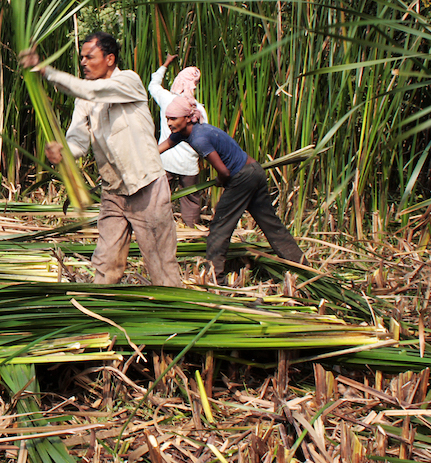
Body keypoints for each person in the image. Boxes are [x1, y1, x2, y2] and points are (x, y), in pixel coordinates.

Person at [20, 32, 182, 287]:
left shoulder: (128, 81)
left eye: (89, 57)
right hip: (113, 192)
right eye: (81, 57)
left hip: (146, 188)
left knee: (161, 266)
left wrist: (45, 71)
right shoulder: (84, 99)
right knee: (106, 264)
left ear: (109, 59)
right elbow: (78, 141)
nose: (83, 62)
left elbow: (94, 91)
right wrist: (62, 152)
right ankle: (101, 311)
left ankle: (179, 315)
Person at [159, 95, 307, 277]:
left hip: (243, 177)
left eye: (173, 118)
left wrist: (221, 181)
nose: (169, 123)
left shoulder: (199, 139)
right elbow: (159, 148)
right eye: (167, 118)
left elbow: (225, 172)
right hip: (255, 171)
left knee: (220, 227)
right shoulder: (183, 133)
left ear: (188, 118)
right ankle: (304, 268)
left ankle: (216, 278)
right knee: (271, 225)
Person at [147, 54, 209, 228]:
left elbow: (153, 85)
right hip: (189, 164)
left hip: (165, 159)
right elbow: (204, 136)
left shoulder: (166, 98)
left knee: (158, 197)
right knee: (191, 199)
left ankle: (156, 228)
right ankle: (191, 231)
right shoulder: (198, 109)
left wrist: (165, 63)